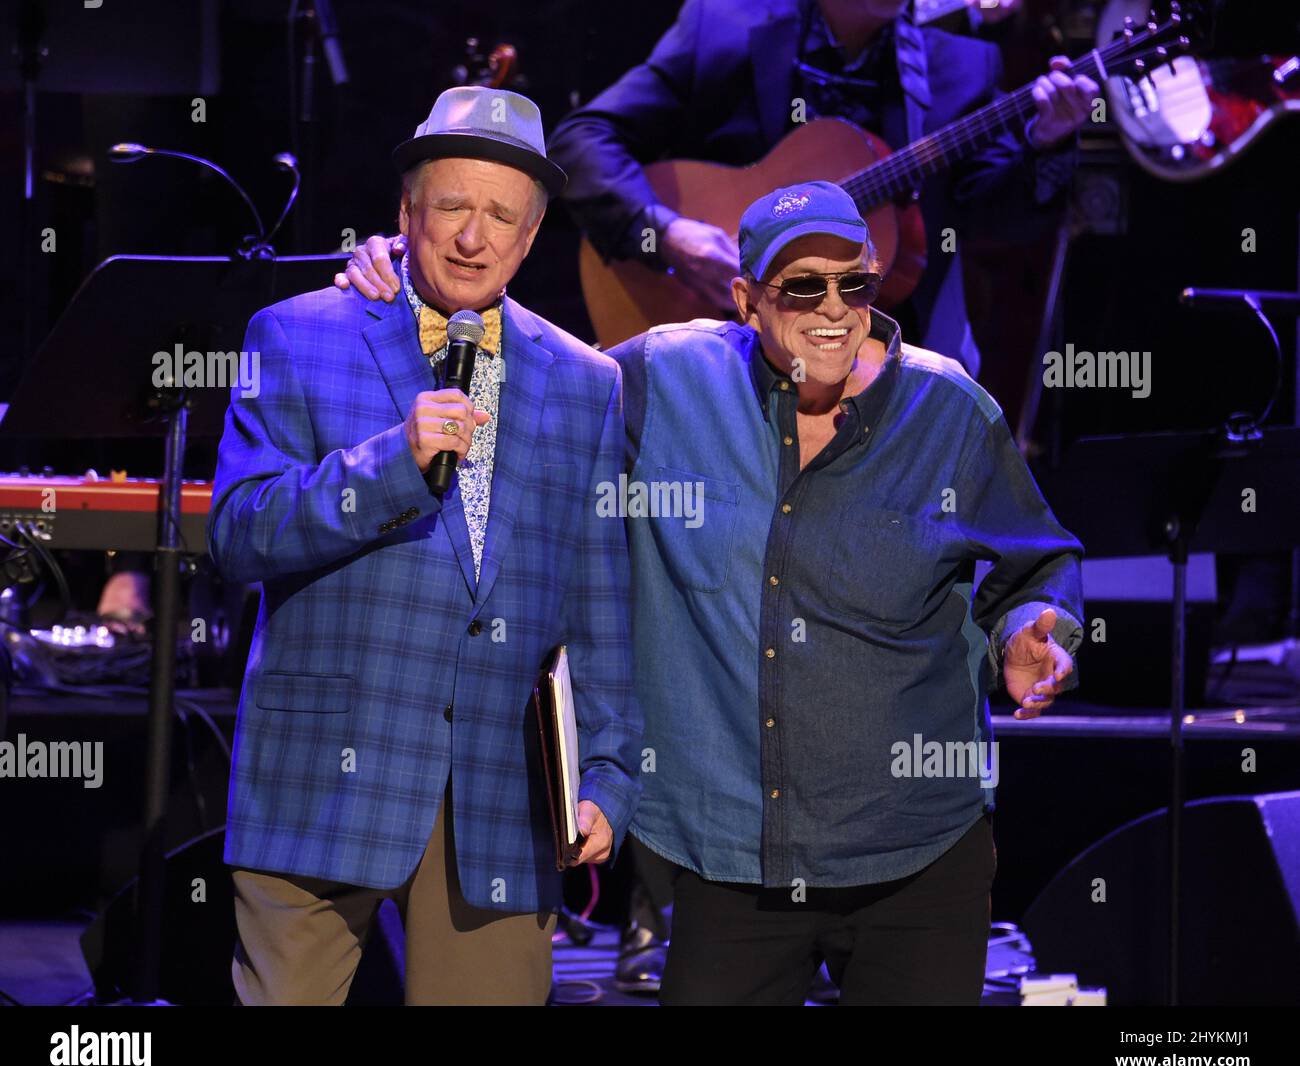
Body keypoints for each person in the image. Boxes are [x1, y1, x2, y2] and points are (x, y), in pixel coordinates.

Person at [340, 179, 1083, 1004]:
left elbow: (1041, 560)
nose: (834, 308)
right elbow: (523, 377)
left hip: (914, 851)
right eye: (802, 286)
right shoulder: (662, 378)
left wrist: (1033, 630)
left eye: (856, 284)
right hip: (729, 854)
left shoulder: (948, 409)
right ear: (746, 299)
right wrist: (407, 286)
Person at [207, 86, 641, 1005]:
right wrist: (390, 464)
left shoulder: (587, 379)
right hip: (322, 769)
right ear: (405, 213)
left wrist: (606, 770)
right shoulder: (296, 333)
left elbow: (602, 602)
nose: (473, 237)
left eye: (501, 217)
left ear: (530, 239)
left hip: (503, 792)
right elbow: (238, 531)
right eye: (452, 207)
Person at [545, 0, 1098, 376]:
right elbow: (581, 139)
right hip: (718, 357)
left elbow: (993, 219)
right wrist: (666, 234)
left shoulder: (960, 67)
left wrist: (1046, 141)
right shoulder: (725, 25)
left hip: (880, 365)